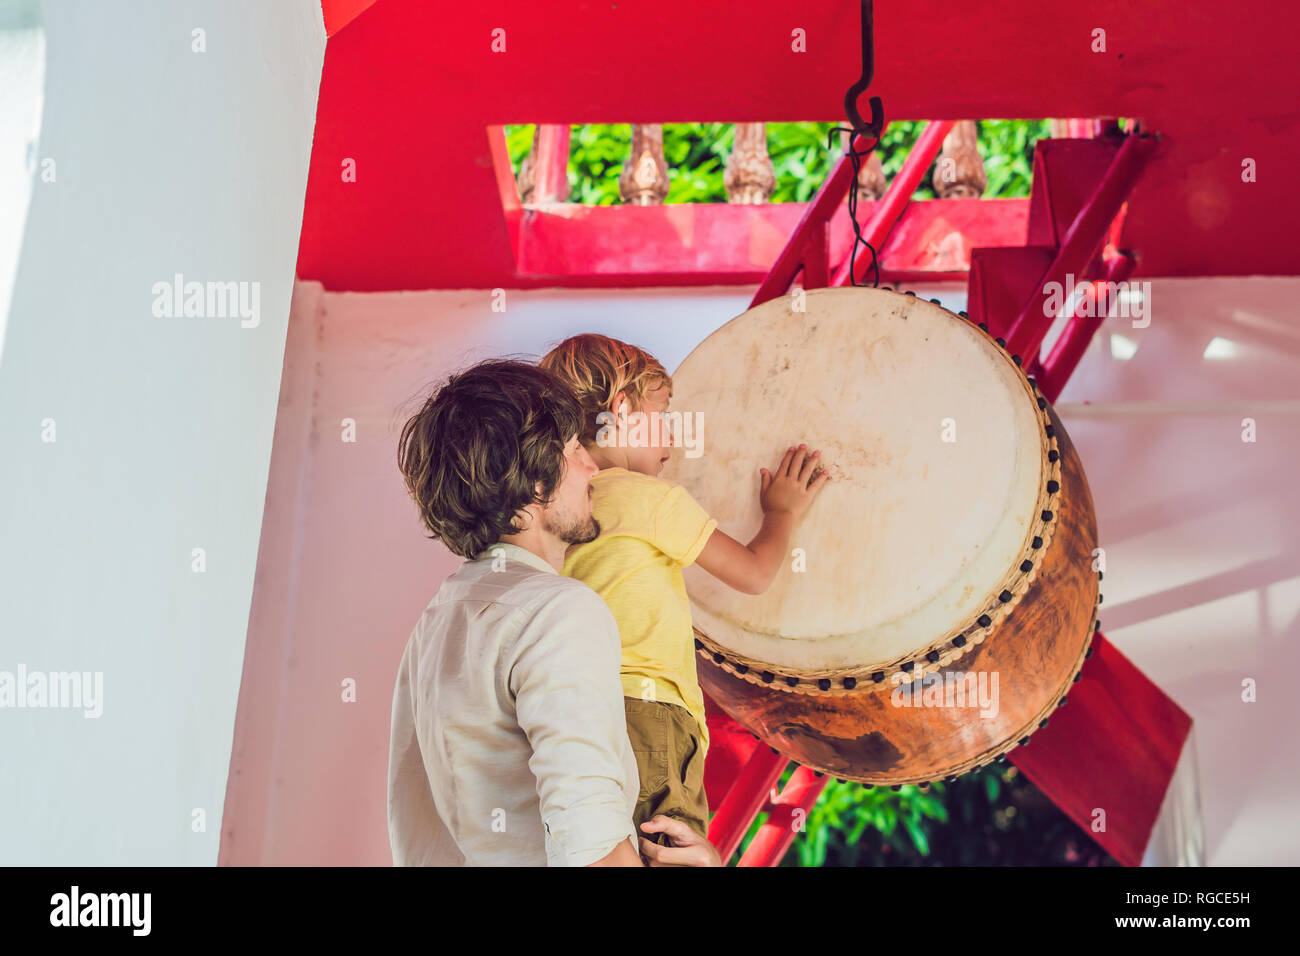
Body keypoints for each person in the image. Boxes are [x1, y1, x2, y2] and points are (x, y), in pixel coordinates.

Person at [387, 359, 720, 866]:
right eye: (573, 450)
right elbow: (589, 845)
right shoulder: (559, 612)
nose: (592, 466)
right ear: (534, 486)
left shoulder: (436, 622)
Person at [540, 335, 828, 848]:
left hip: (574, 710)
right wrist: (782, 512)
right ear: (621, 409)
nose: (670, 439)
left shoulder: (554, 508)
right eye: (663, 414)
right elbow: (754, 573)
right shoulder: (650, 498)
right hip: (649, 713)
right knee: (667, 849)